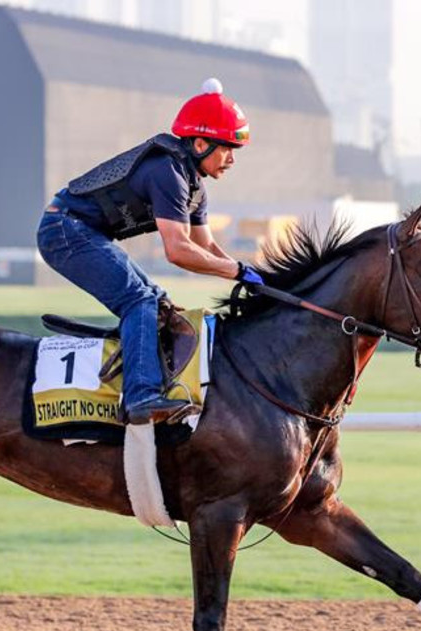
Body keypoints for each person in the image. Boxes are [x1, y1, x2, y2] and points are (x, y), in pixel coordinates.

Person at [37, 78, 265, 425]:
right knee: (140, 300)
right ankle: (141, 397)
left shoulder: (194, 186)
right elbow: (179, 251)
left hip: (86, 232)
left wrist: (248, 272)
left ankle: (146, 379)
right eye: (226, 148)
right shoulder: (167, 171)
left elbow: (206, 245)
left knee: (159, 303)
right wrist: (235, 272)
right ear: (200, 143)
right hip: (63, 230)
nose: (232, 159)